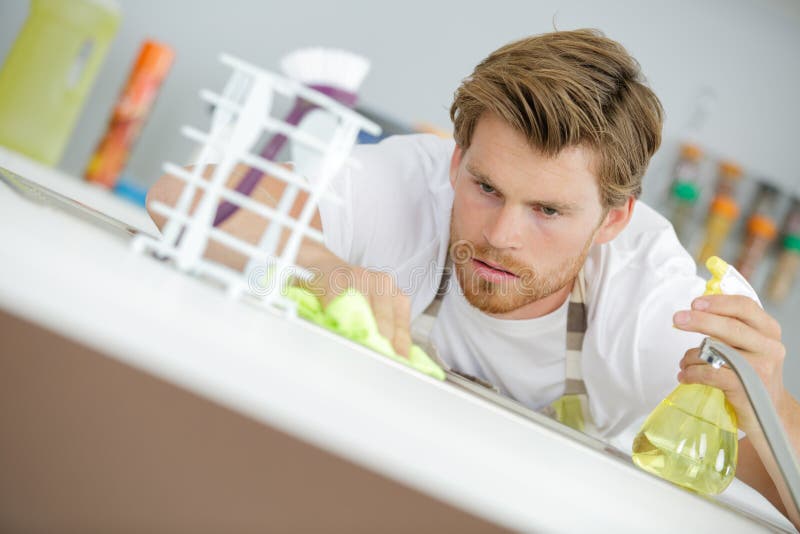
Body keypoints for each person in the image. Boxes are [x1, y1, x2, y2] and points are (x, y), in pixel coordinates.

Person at [147, 29, 799, 525]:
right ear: (456, 159)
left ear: (612, 221)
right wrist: (322, 266)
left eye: (547, 210)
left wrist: (767, 407)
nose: (499, 235)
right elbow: (178, 196)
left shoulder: (651, 308)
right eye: (486, 187)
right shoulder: (414, 181)